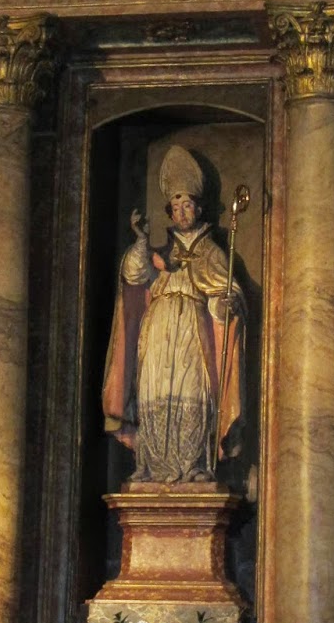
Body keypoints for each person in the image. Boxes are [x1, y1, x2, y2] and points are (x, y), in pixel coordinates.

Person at [102, 145, 244, 483]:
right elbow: (134, 274)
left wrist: (224, 306)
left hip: (193, 333)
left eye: (188, 206)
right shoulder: (158, 252)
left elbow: (229, 292)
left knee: (193, 390)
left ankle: (195, 464)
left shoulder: (211, 252)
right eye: (176, 207)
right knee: (154, 391)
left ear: (198, 209)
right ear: (170, 212)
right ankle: (150, 465)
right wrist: (140, 240)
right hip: (159, 331)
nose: (182, 213)